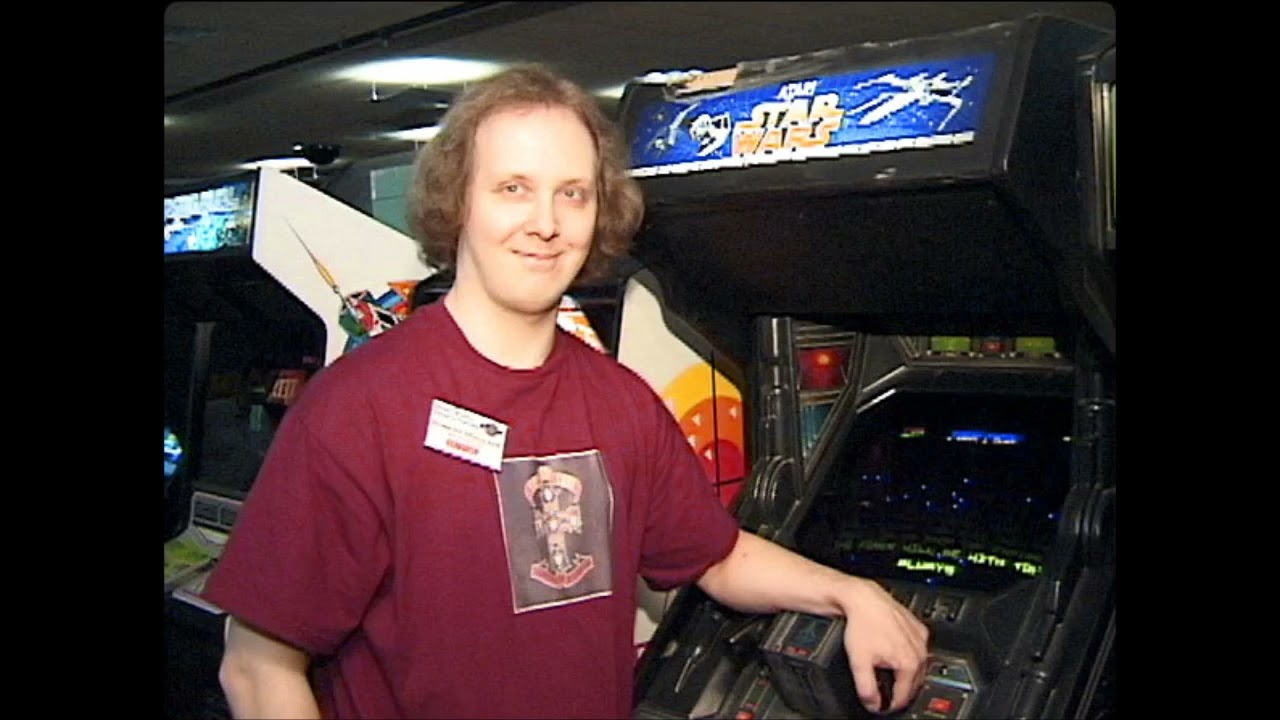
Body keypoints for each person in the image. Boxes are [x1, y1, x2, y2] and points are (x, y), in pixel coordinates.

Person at [203, 63, 929, 720]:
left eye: (572, 194)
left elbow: (716, 556)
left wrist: (850, 593)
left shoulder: (621, 403)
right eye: (513, 189)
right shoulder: (359, 406)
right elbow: (259, 668)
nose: (545, 224)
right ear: (457, 203)